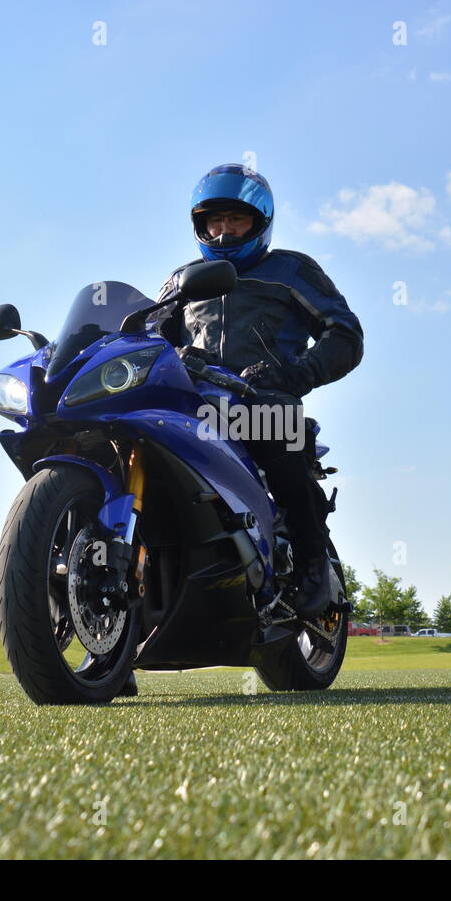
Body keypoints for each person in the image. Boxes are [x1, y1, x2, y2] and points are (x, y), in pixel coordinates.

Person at [149, 163, 363, 618]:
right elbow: (147, 335)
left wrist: (293, 375)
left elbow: (345, 334)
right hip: (193, 404)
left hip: (260, 402)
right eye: (215, 221)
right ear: (200, 225)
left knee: (278, 440)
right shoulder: (182, 279)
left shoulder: (292, 269)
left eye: (236, 220)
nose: (224, 232)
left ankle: (311, 566)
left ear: (260, 222)